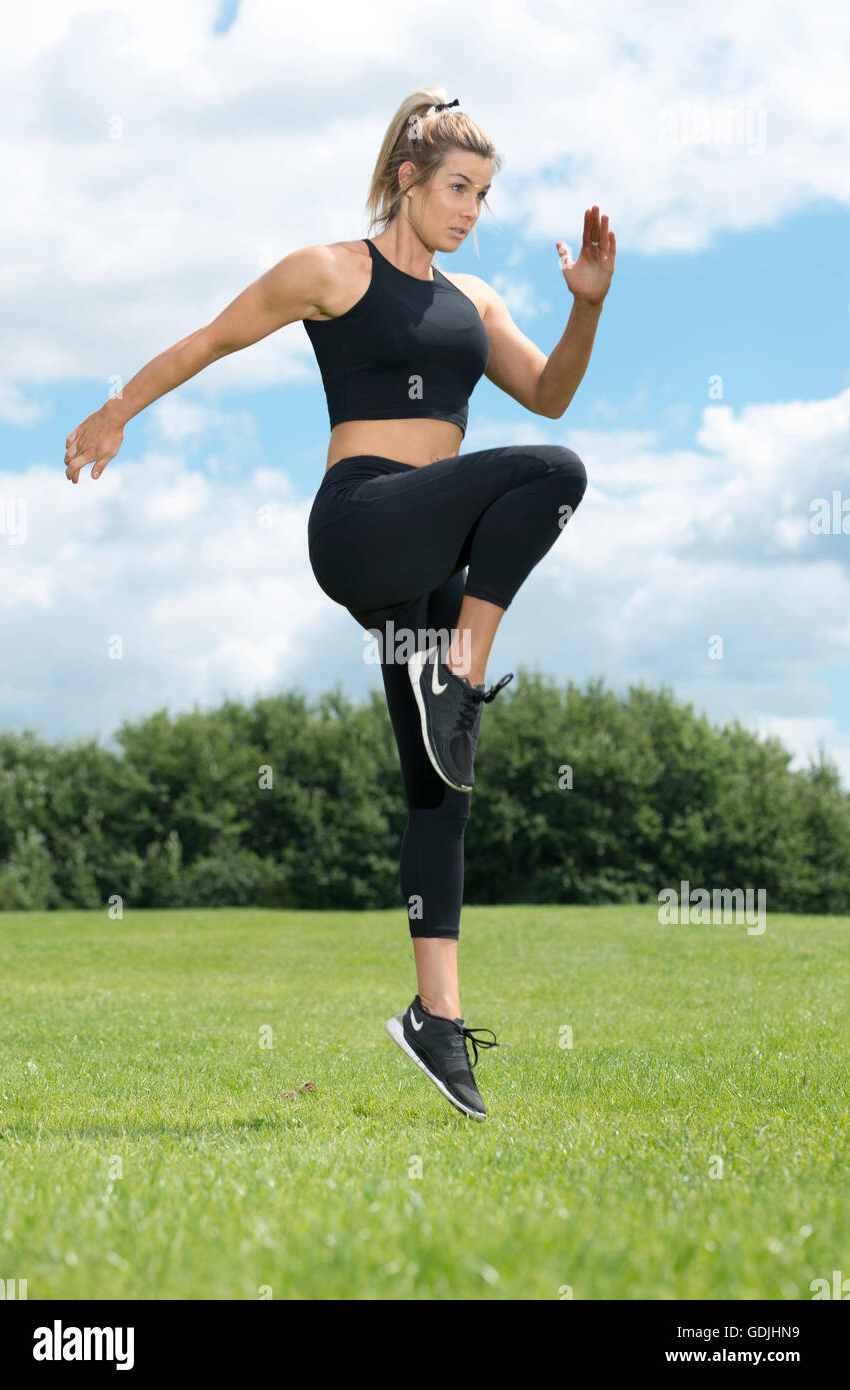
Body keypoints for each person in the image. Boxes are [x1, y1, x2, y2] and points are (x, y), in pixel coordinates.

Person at [63, 88, 616, 1122]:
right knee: (553, 473)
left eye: (485, 196)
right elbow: (211, 340)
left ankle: (436, 1020)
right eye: (457, 188)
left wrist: (585, 302)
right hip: (363, 524)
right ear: (408, 179)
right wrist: (116, 409)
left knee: (438, 790)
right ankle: (460, 674)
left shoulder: (477, 302)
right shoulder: (333, 271)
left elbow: (547, 390)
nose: (469, 210)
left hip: (428, 573)